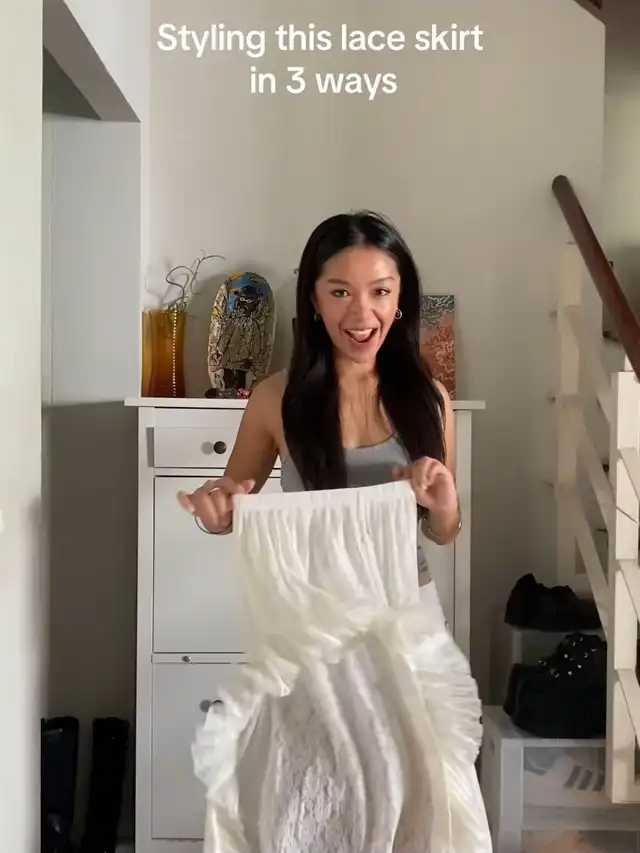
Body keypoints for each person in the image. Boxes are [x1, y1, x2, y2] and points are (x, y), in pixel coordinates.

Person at [178, 209, 461, 588]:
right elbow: (227, 509)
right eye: (340, 292)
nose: (362, 313)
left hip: (407, 609)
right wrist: (215, 514)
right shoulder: (274, 398)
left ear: (400, 299)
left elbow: (444, 532)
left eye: (380, 291)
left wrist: (445, 508)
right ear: (315, 301)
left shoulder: (431, 400)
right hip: (311, 612)